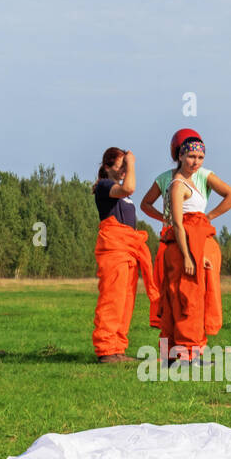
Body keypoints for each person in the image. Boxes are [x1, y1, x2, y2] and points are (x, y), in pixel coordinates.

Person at [140, 129, 231, 336]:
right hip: (178, 236)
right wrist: (169, 219)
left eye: (200, 157)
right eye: (191, 156)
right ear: (180, 155)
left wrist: (207, 218)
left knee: (180, 293)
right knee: (179, 293)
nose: (196, 162)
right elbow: (148, 205)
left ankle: (178, 346)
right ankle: (182, 347)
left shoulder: (201, 175)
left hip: (189, 235)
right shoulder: (172, 180)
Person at [90, 147, 147, 363]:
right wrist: (132, 163)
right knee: (112, 299)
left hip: (128, 251)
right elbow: (129, 187)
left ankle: (117, 348)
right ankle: (106, 350)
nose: (124, 169)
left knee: (125, 301)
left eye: (126, 166)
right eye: (120, 165)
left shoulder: (123, 194)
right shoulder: (105, 186)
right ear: (107, 167)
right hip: (114, 250)